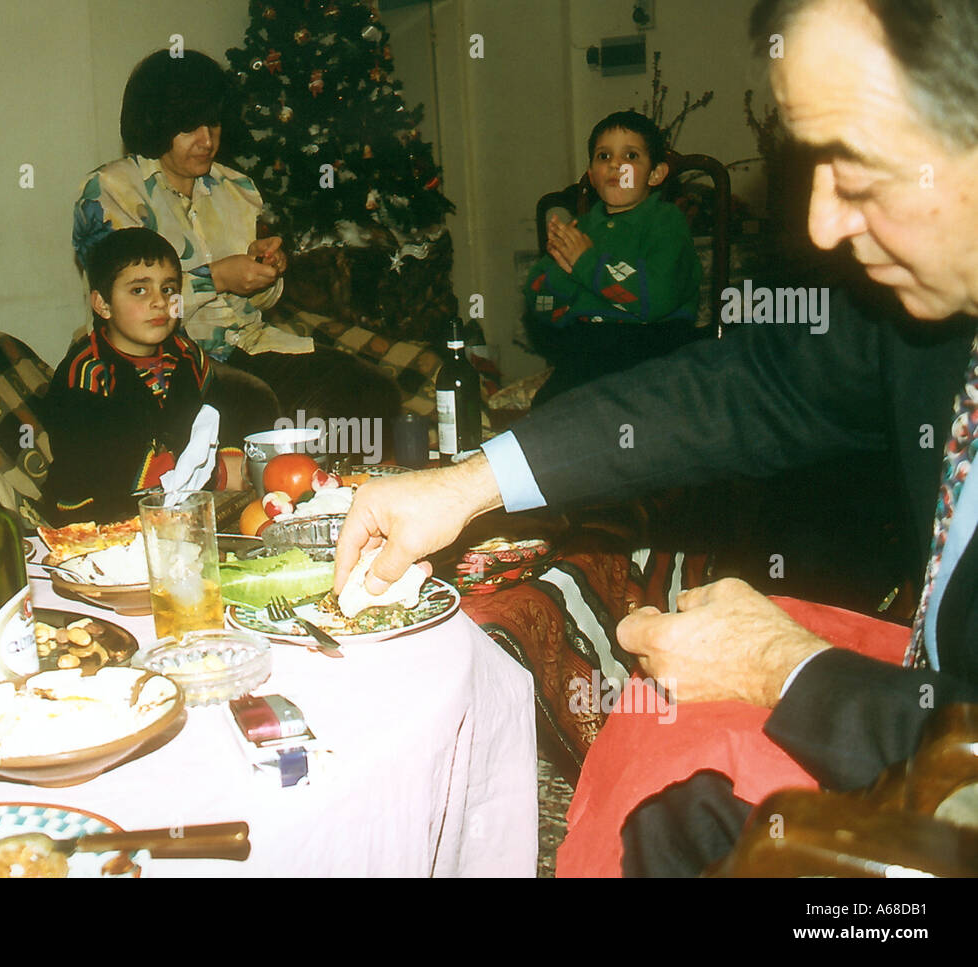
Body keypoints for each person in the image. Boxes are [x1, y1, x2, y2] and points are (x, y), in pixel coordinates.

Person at [334, 0, 978, 875]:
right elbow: (745, 385)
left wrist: (788, 668)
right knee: (656, 727)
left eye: (859, 165)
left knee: (677, 815)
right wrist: (466, 481)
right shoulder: (927, 316)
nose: (824, 223)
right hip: (927, 695)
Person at [72, 48, 402, 442]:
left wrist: (267, 271)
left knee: (374, 395)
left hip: (249, 345)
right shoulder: (111, 190)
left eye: (212, 123)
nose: (206, 140)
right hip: (160, 360)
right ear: (156, 123)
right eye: (189, 127)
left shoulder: (238, 188)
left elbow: (260, 303)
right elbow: (128, 302)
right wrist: (218, 278)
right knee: (269, 410)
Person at [41, 227, 251, 525]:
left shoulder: (186, 354)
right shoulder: (87, 371)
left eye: (168, 289)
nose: (160, 302)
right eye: (140, 290)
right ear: (103, 304)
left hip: (181, 497)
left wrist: (231, 458)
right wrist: (196, 468)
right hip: (99, 508)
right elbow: (95, 461)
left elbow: (219, 410)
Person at [525, 110, 702, 405]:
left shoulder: (665, 222)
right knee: (548, 409)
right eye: (603, 156)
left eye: (631, 156)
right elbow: (539, 302)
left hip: (652, 345)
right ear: (592, 175)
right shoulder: (581, 229)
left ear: (656, 173)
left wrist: (585, 266)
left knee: (623, 408)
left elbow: (654, 299)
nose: (616, 165)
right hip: (588, 346)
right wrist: (567, 268)